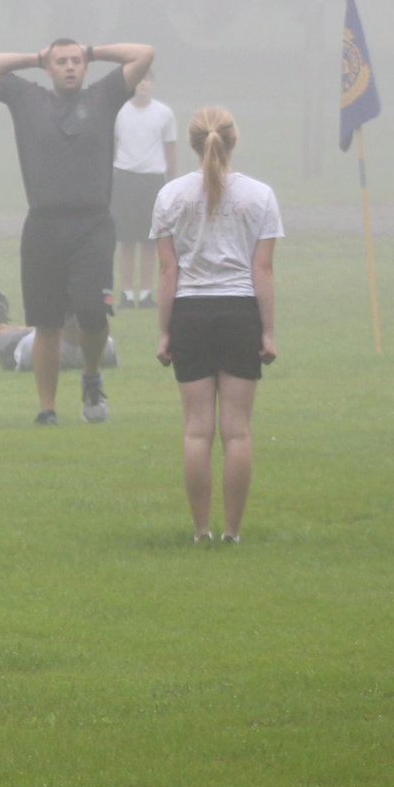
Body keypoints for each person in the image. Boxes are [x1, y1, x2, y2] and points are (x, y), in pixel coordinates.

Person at [0, 36, 156, 425]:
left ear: (84, 67)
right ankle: (47, 408)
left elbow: (144, 54)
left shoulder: (102, 97)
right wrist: (35, 56)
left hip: (92, 224)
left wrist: (93, 51)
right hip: (43, 225)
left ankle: (91, 377)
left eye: (75, 61)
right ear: (49, 68)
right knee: (47, 323)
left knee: (91, 314)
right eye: (61, 61)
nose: (70, 67)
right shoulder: (28, 98)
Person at [152, 107, 282, 544]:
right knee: (238, 431)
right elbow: (261, 270)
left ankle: (200, 530)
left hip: (190, 313)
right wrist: (267, 331)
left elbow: (168, 273)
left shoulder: (170, 196)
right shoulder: (260, 196)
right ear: (234, 141)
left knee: (196, 430)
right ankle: (232, 531)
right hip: (240, 312)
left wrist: (166, 332)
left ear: (192, 143)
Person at [111, 76, 177, 308]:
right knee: (127, 240)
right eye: (138, 80)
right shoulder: (119, 111)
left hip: (153, 180)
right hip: (125, 178)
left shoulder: (164, 113)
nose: (142, 84)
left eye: (146, 79)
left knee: (150, 240)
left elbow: (170, 149)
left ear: (152, 82)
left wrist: (171, 184)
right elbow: (113, 144)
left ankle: (146, 293)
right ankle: (127, 294)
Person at [0, 291, 119, 372]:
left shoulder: (31, 350)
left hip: (19, 348)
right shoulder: (105, 345)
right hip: (42, 337)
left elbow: (21, 362)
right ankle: (1, 322)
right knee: (32, 330)